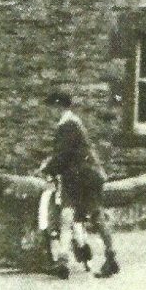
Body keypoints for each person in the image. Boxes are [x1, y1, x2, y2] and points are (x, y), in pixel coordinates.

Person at [35, 91, 119, 279]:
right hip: (88, 176)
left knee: (68, 215)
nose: (48, 113)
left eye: (50, 108)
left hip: (77, 177)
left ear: (58, 107)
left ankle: (64, 261)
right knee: (94, 217)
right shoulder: (74, 123)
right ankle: (109, 257)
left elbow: (63, 156)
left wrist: (47, 169)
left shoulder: (67, 125)